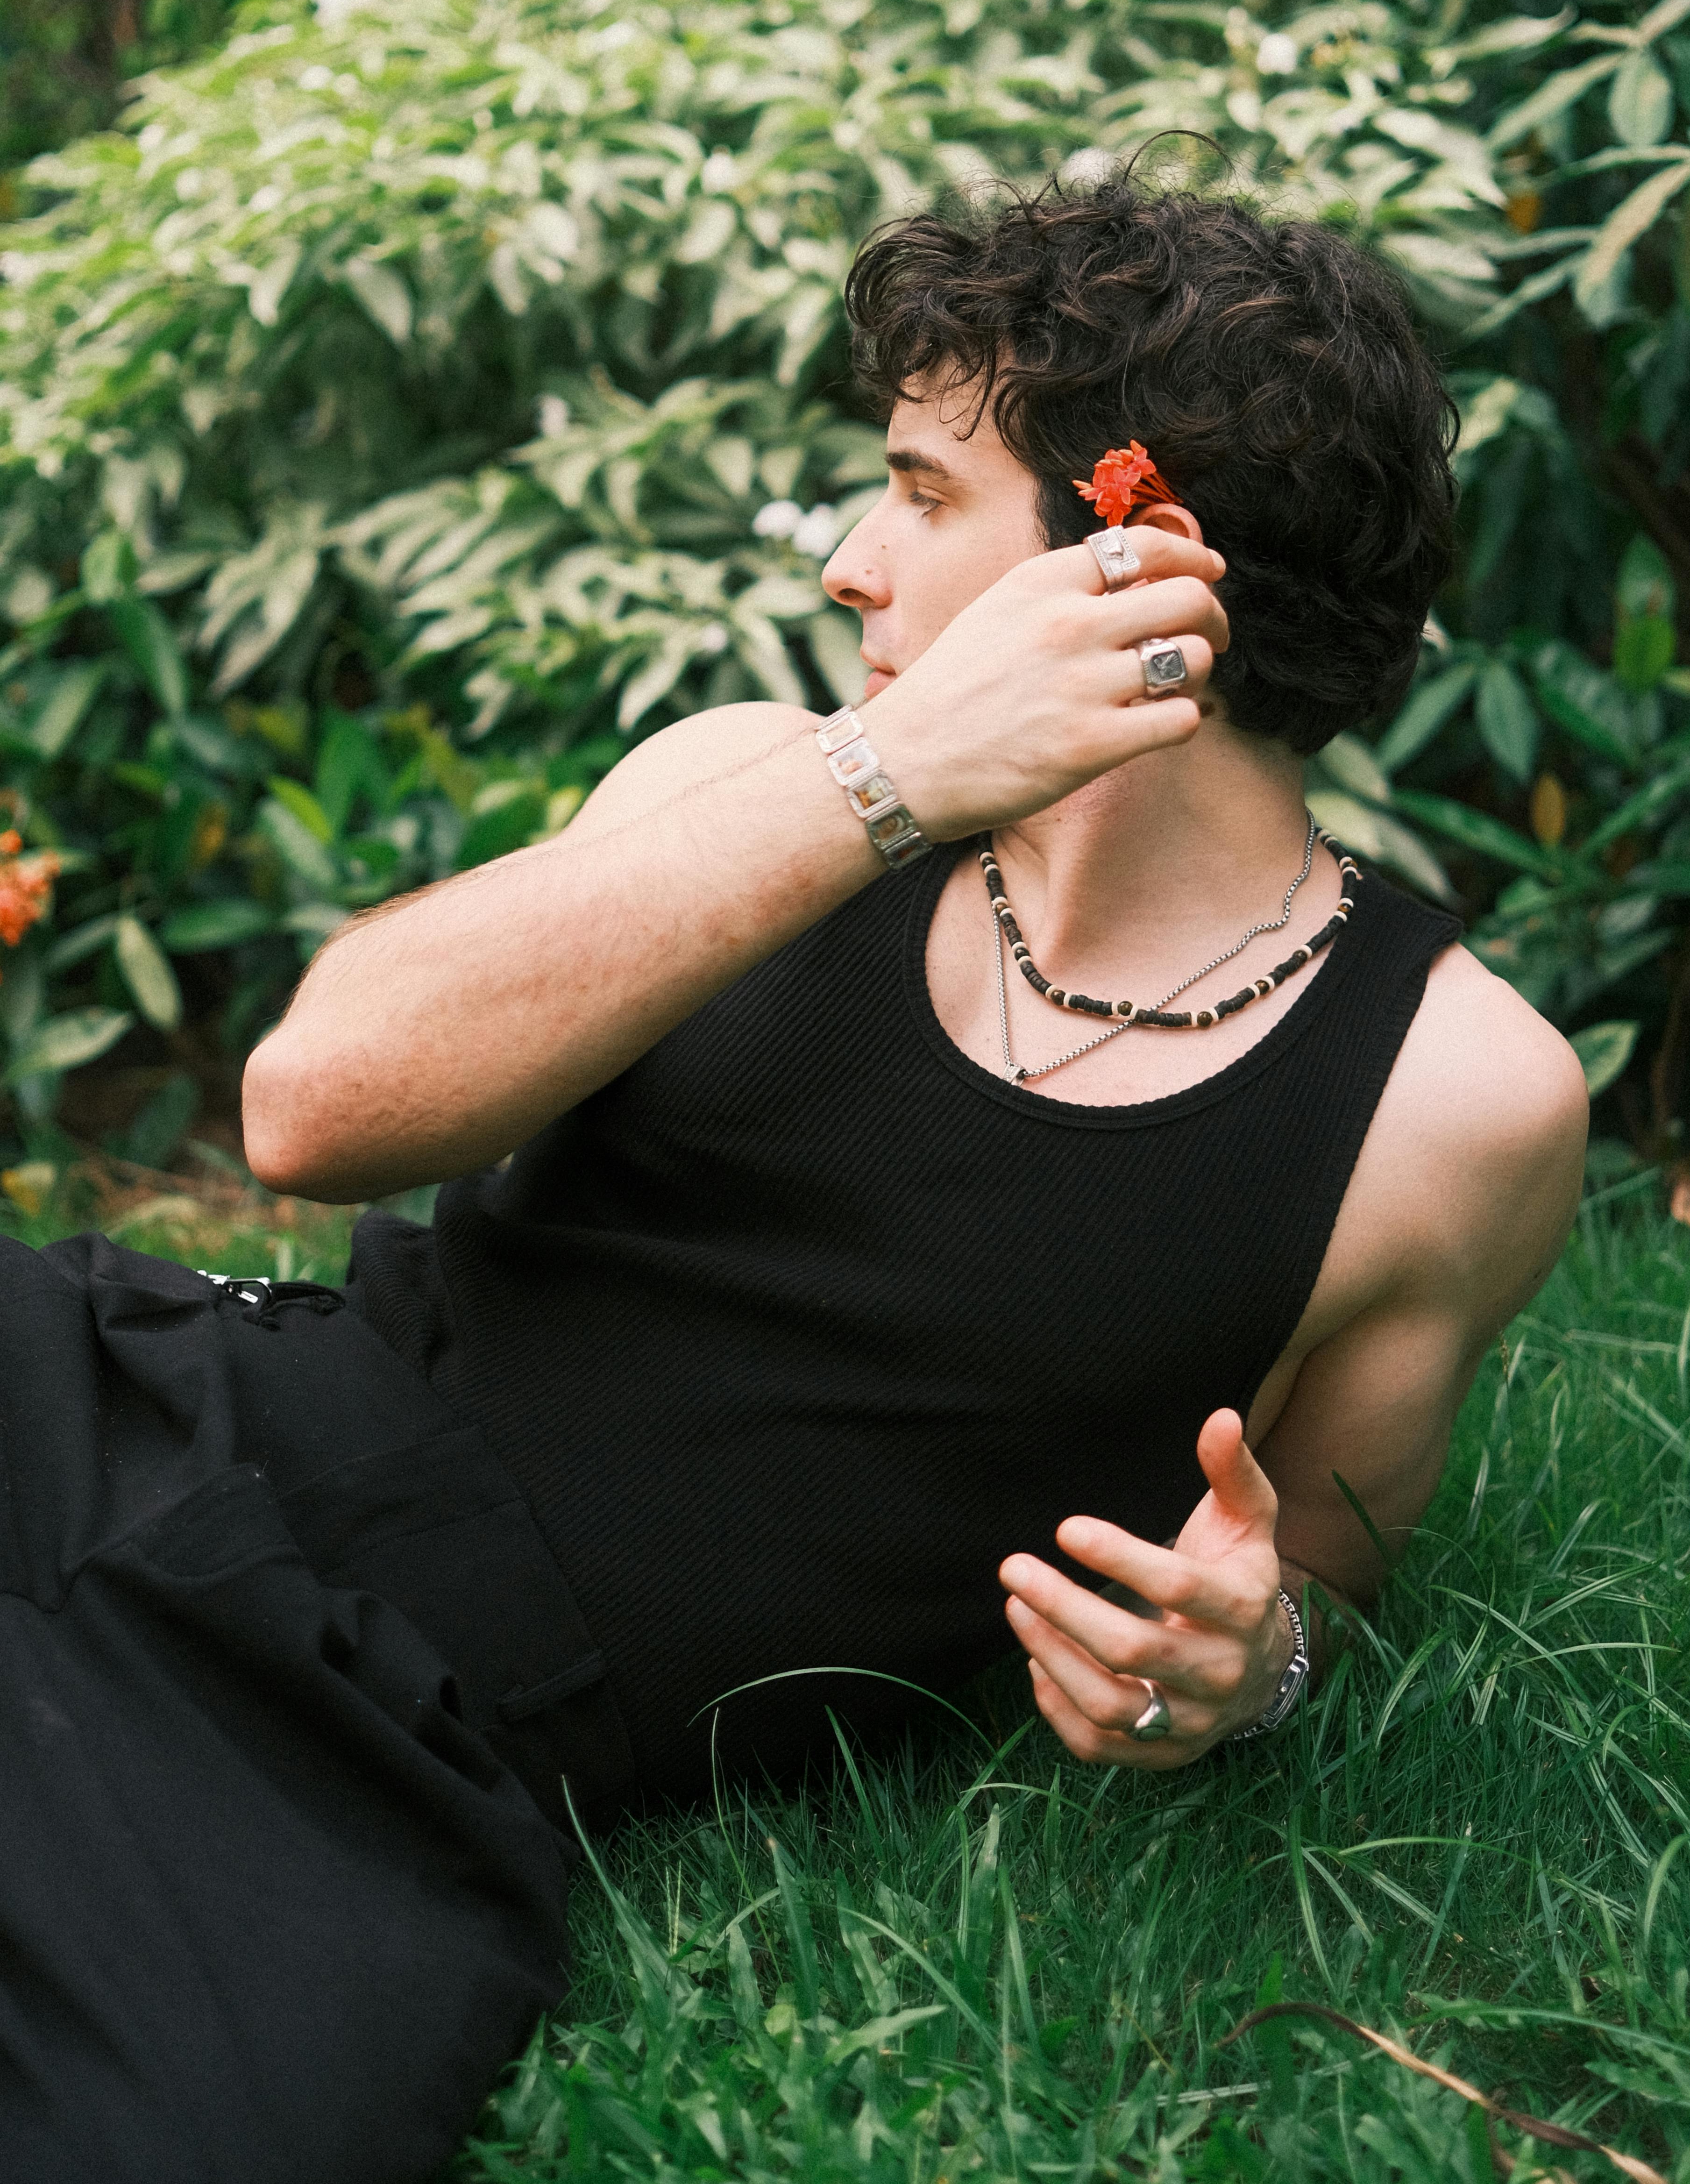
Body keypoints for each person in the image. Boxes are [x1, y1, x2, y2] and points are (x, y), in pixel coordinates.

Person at [1, 176, 1587, 2182]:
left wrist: (1243, 1673)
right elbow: (315, 1106)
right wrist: (888, 785)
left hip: (381, 1756)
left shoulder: (1454, 1097)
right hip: (134, 1416)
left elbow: (1309, 1584)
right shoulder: (759, 781)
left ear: (1141, 567)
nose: (852, 563)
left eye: (924, 497)